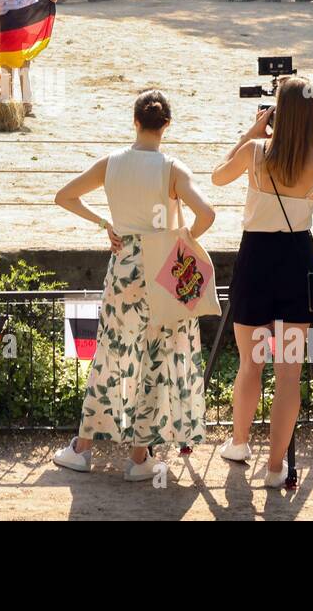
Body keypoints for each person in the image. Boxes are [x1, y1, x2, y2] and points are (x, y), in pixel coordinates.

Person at [51, 90, 215, 479]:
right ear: (167, 126)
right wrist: (183, 239)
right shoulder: (172, 168)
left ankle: (82, 448)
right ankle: (140, 459)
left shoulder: (112, 164)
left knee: (110, 354)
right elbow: (207, 214)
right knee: (156, 359)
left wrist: (103, 224)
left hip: (123, 265)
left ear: (135, 121)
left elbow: (64, 196)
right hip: (163, 270)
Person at [210, 77, 313, 487]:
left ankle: (239, 442)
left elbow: (216, 177)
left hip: (256, 260)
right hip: (297, 262)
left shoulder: (255, 152)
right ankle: (277, 465)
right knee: (289, 373)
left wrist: (251, 131)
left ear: (277, 112)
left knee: (251, 364)